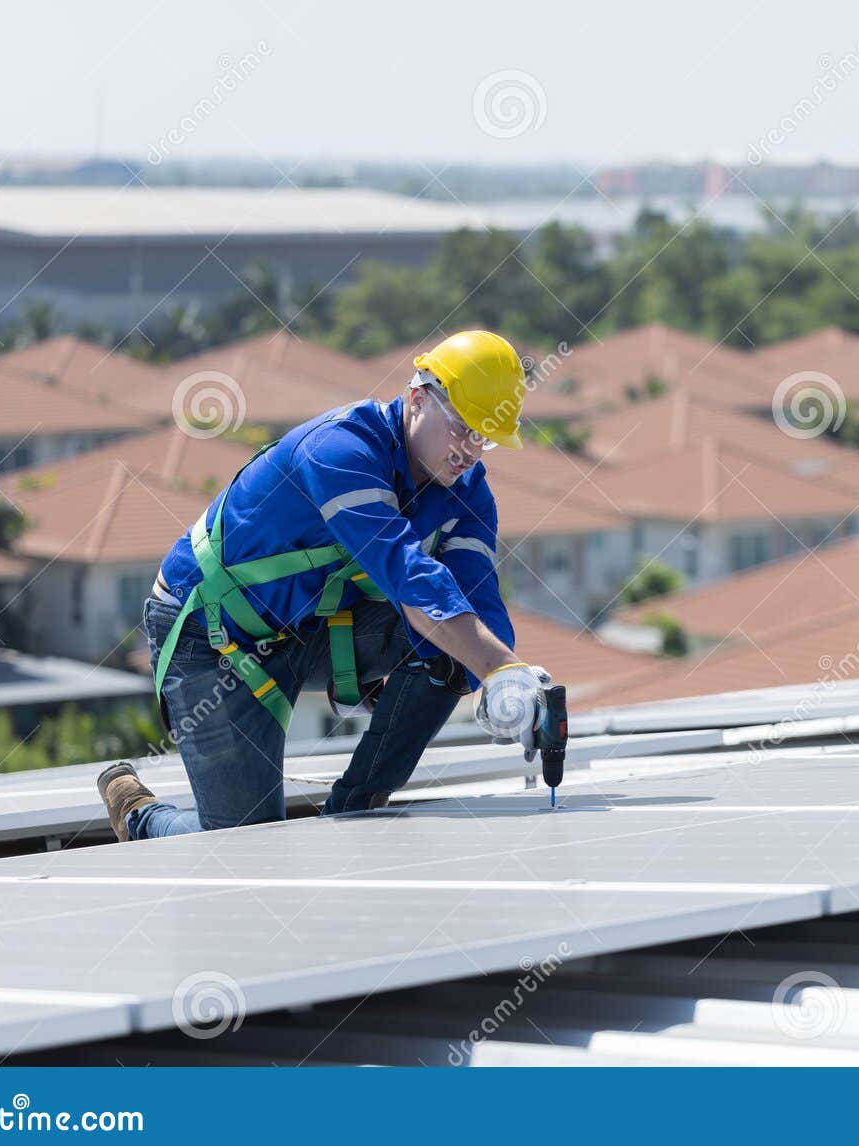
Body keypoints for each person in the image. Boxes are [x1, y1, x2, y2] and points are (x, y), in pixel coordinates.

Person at [97, 330, 554, 839]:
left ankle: (354, 809)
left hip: (310, 627)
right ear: (418, 398)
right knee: (244, 844)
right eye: (462, 428)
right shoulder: (340, 451)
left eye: (484, 438)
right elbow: (408, 576)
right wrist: (496, 668)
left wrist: (507, 682)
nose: (469, 451)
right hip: (213, 635)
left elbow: (476, 598)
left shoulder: (468, 492)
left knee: (456, 650)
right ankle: (142, 818)